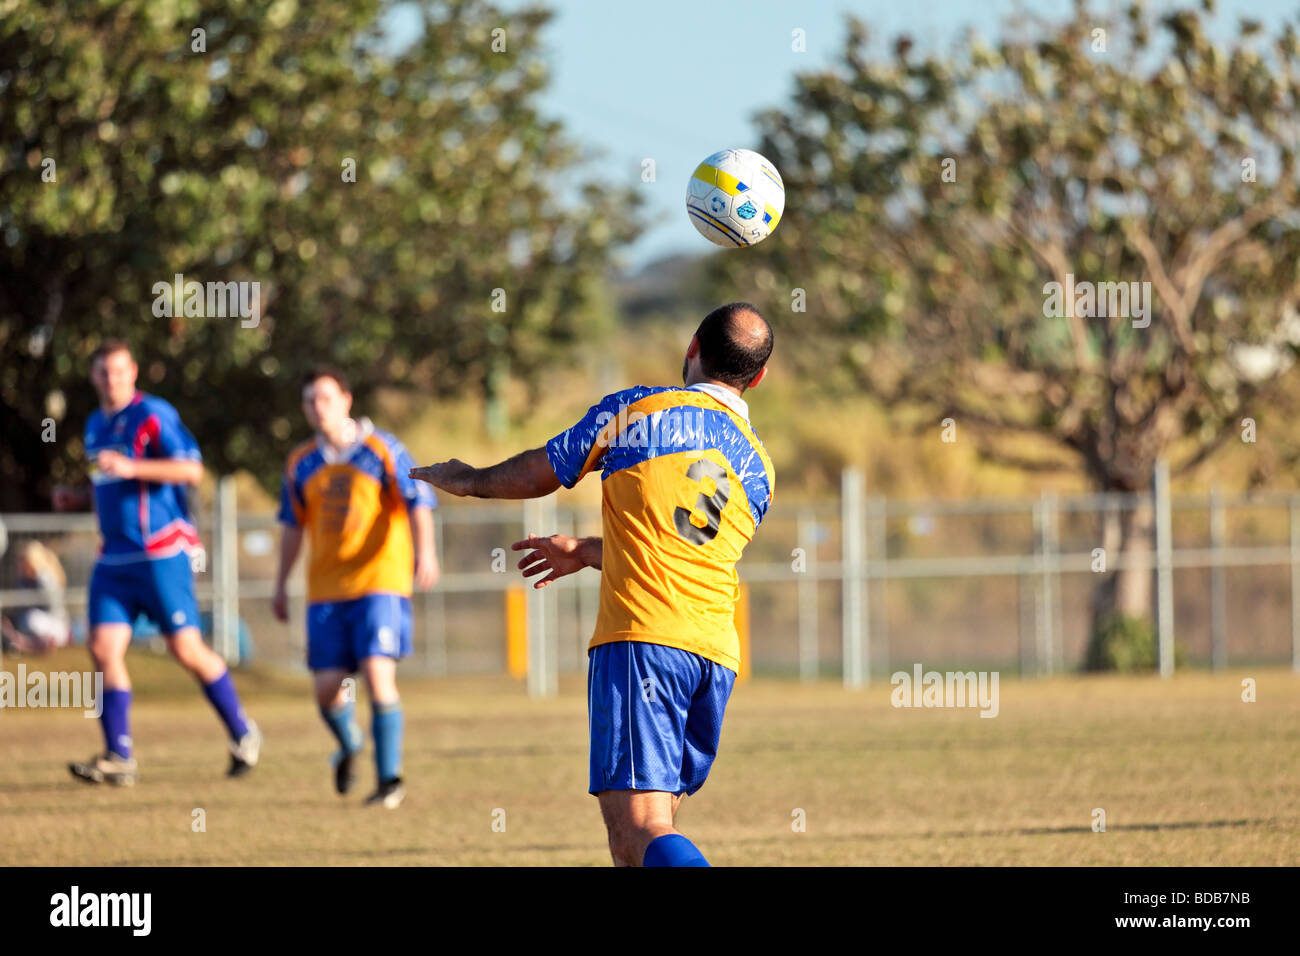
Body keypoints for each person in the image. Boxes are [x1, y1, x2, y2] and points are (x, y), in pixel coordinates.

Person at [410, 302, 775, 866]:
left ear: (692, 347)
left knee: (638, 830)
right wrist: (582, 551)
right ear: (758, 377)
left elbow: (542, 472)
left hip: (644, 642)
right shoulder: (759, 465)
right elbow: (676, 549)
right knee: (650, 836)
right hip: (714, 657)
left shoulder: (638, 409)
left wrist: (470, 480)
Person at [54, 340, 260, 787]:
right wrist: (78, 496)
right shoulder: (94, 424)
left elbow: (190, 470)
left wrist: (132, 468)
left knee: (185, 650)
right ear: (93, 377)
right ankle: (119, 757)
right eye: (103, 372)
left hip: (161, 552)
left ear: (133, 372)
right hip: (113, 558)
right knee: (102, 650)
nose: (111, 379)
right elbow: (107, 479)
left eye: (119, 371)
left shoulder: (154, 414)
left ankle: (242, 730)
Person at [273, 367, 439, 809]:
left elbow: (419, 500)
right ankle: (349, 744)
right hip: (326, 590)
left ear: (346, 399)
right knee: (327, 689)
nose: (317, 407)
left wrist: (427, 552)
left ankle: (390, 781)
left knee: (377, 674)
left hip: (380, 582)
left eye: (325, 397)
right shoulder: (301, 462)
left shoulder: (382, 448)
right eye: (309, 400)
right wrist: (279, 582)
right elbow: (291, 526)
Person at [0, 540, 71, 655]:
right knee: (20, 620)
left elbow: (52, 607)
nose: (20, 566)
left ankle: (32, 644)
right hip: (31, 625)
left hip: (55, 627)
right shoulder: (23, 581)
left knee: (31, 618)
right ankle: (25, 642)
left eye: (23, 562)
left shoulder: (45, 579)